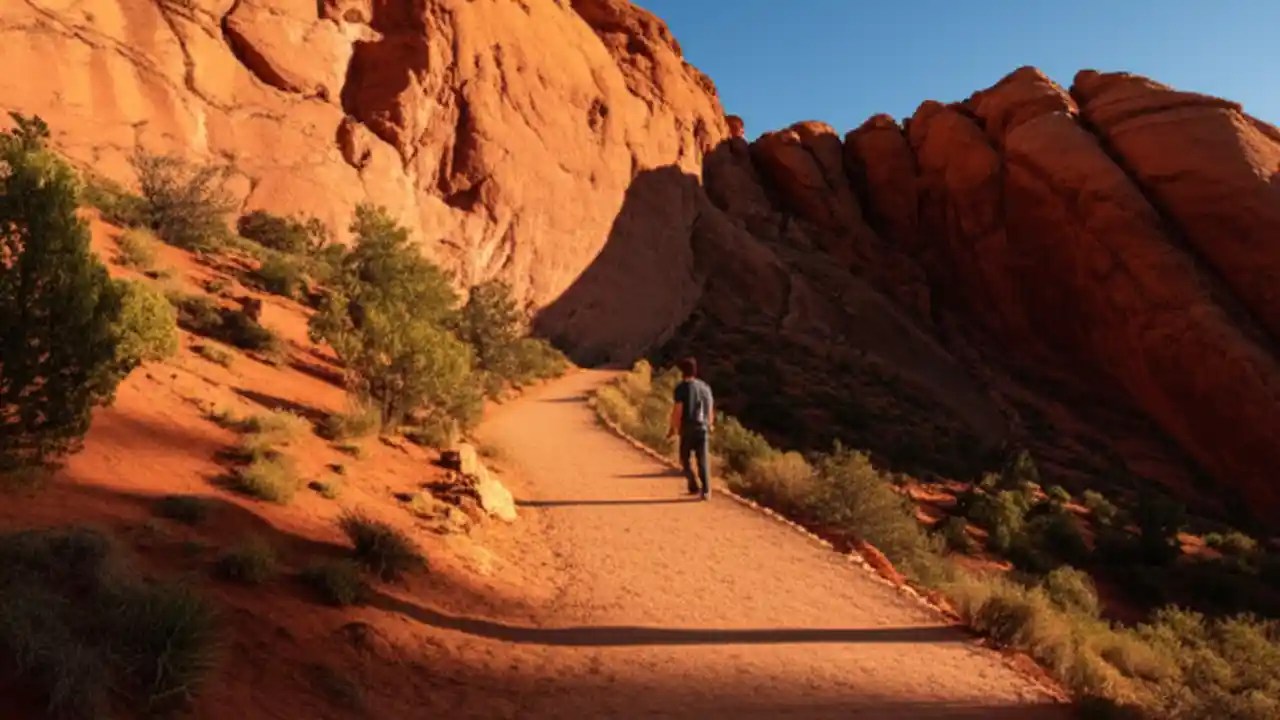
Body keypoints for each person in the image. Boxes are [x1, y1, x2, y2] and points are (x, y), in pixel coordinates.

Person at [668, 357, 714, 500]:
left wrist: (673, 428)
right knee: (702, 460)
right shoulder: (705, 388)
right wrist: (710, 424)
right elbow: (710, 409)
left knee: (685, 459)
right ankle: (706, 491)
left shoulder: (681, 388)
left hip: (688, 428)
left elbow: (678, 411)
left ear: (682, 372)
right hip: (703, 428)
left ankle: (693, 484)